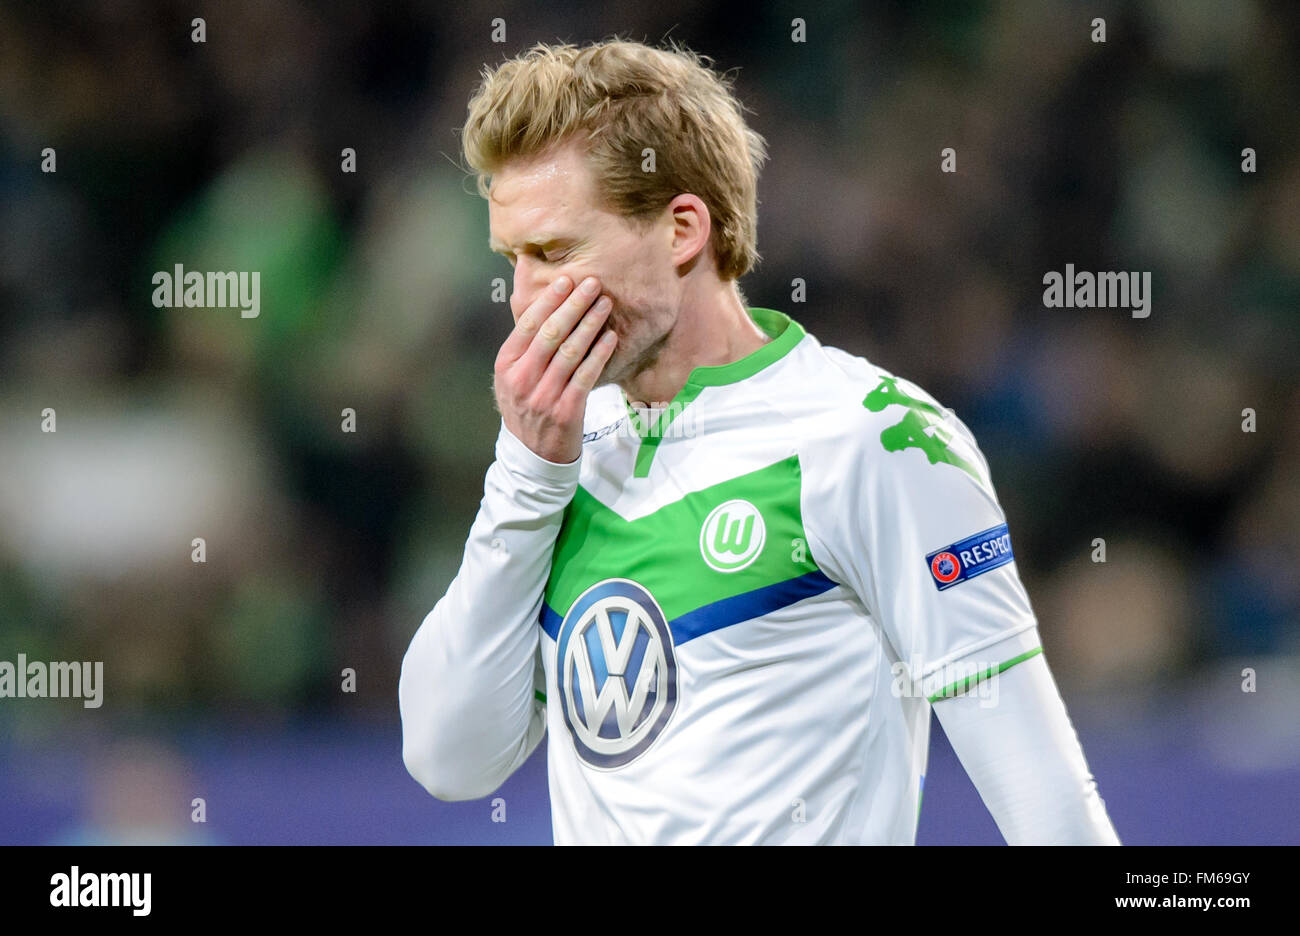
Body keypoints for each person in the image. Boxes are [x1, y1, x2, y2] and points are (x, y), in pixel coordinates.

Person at [399, 38, 1120, 845]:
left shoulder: (871, 438)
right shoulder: (562, 457)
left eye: (554, 252)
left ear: (682, 230)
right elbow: (447, 760)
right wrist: (527, 475)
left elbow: (1047, 802)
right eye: (512, 259)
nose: (523, 298)